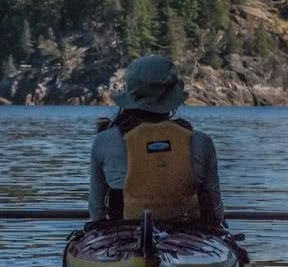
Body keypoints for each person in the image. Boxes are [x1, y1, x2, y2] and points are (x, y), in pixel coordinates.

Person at [89, 55, 224, 227]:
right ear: (172, 98)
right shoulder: (201, 142)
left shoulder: (104, 140)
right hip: (188, 233)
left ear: (131, 95)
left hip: (123, 232)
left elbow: (96, 211)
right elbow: (216, 211)